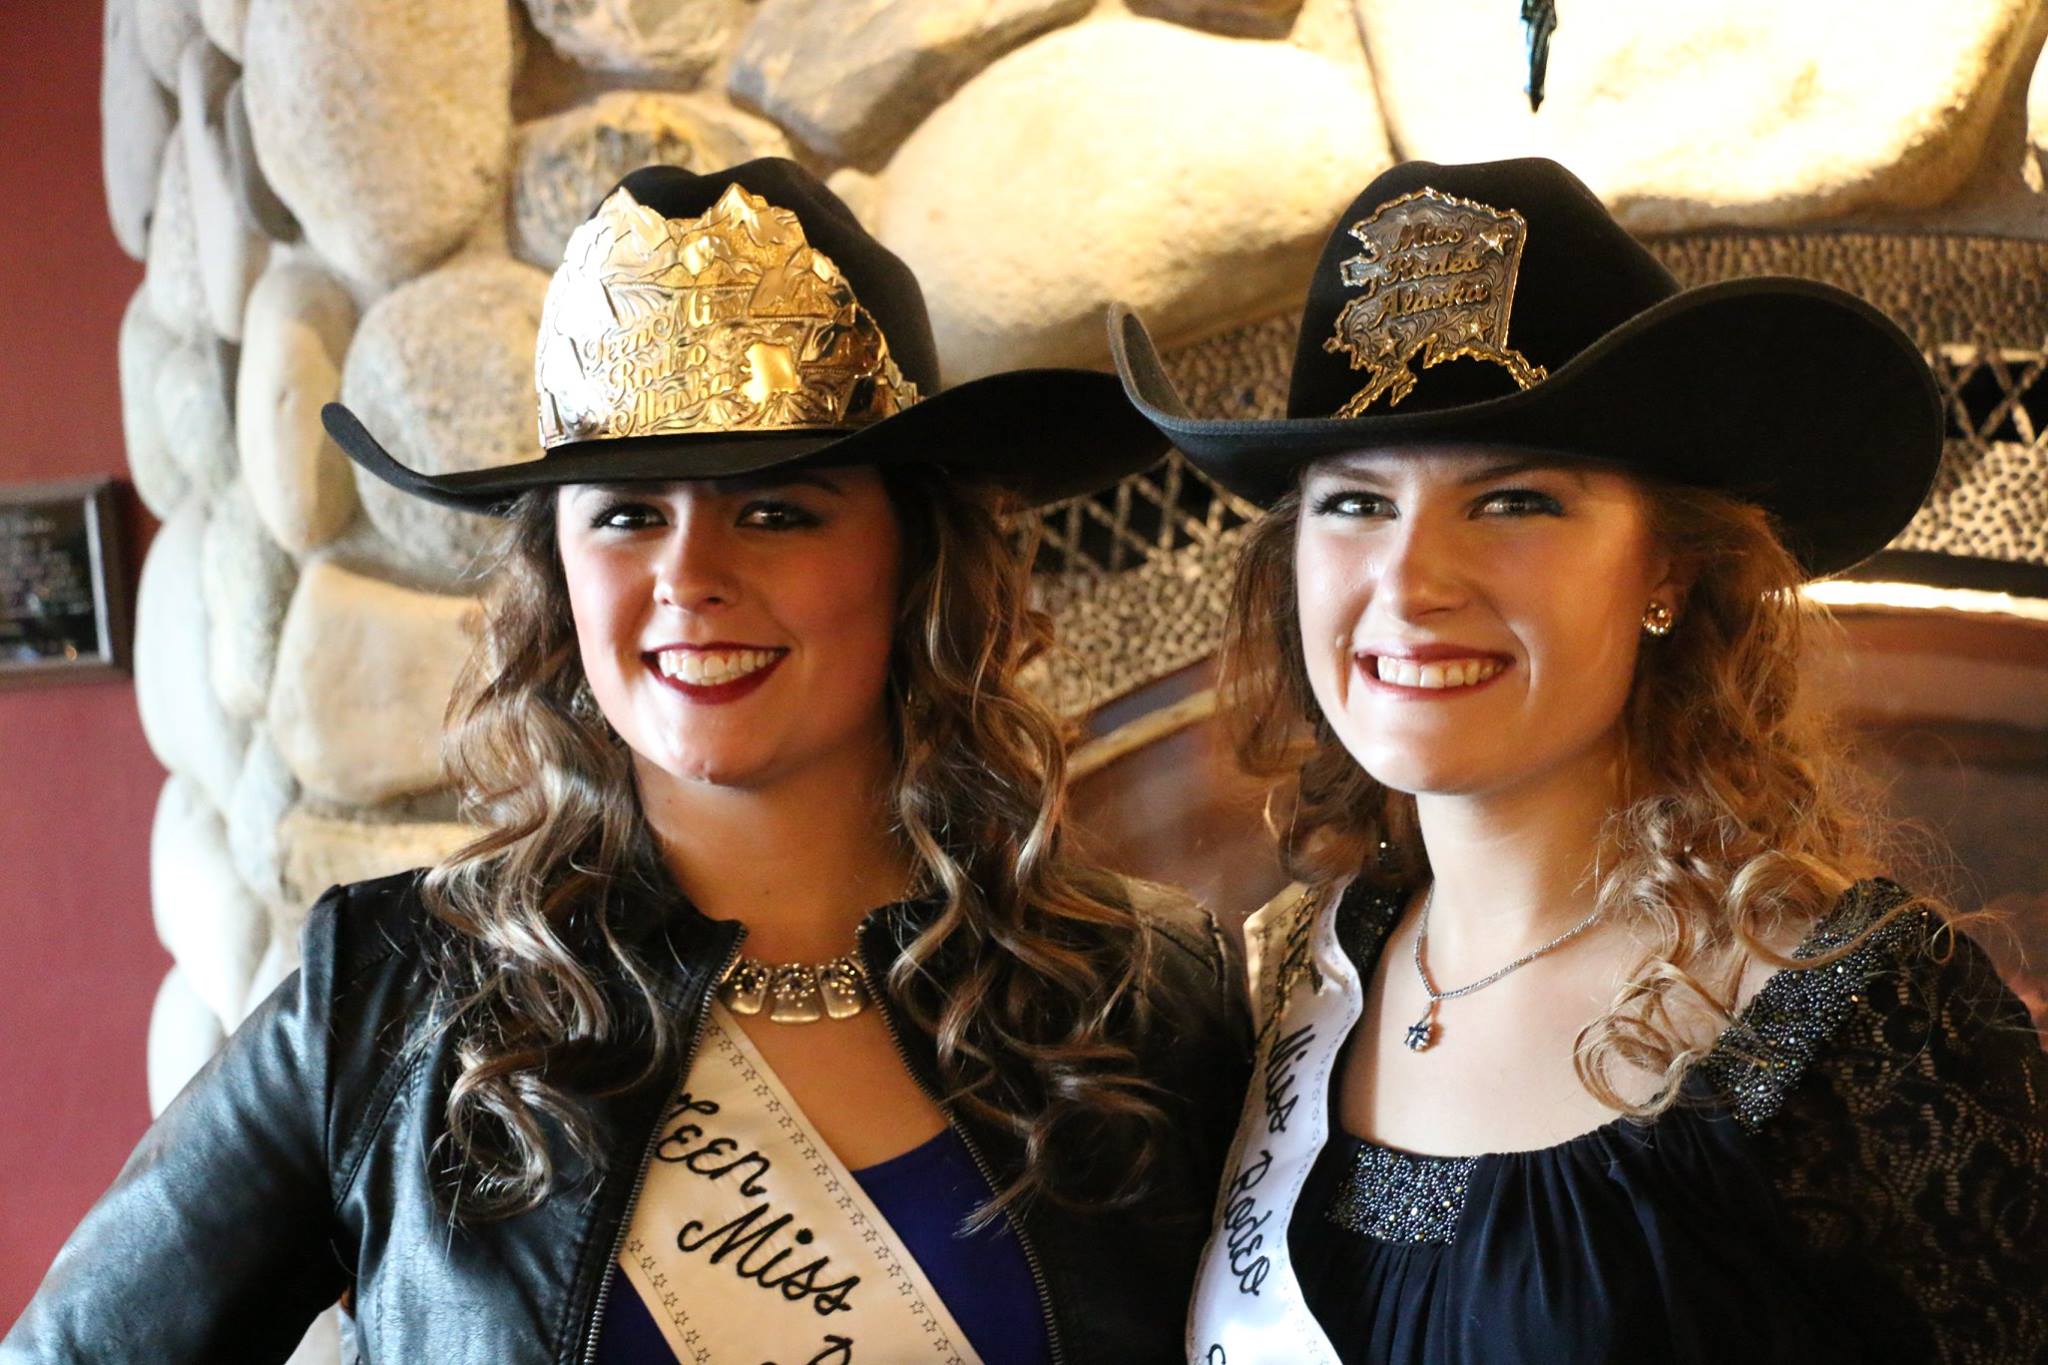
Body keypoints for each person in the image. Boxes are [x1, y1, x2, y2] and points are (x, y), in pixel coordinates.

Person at [5, 161, 1247, 1365]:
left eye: (778, 510)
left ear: (916, 560)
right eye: (625, 514)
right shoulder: (386, 1002)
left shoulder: (1137, 991)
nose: (688, 577)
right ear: (559, 577)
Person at [1108, 157, 2048, 1363]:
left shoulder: (1850, 1017)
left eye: (1512, 503)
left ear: (1668, 571)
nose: (1409, 583)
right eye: (1352, 505)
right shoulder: (1283, 977)